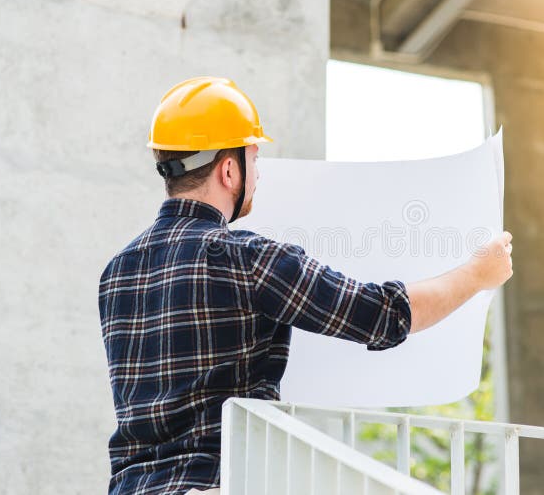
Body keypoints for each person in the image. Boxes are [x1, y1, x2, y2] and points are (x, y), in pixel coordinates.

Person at [98, 77, 513, 494]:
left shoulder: (115, 274)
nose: (258, 175)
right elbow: (383, 315)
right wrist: (478, 274)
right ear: (228, 169)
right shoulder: (247, 258)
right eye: (254, 159)